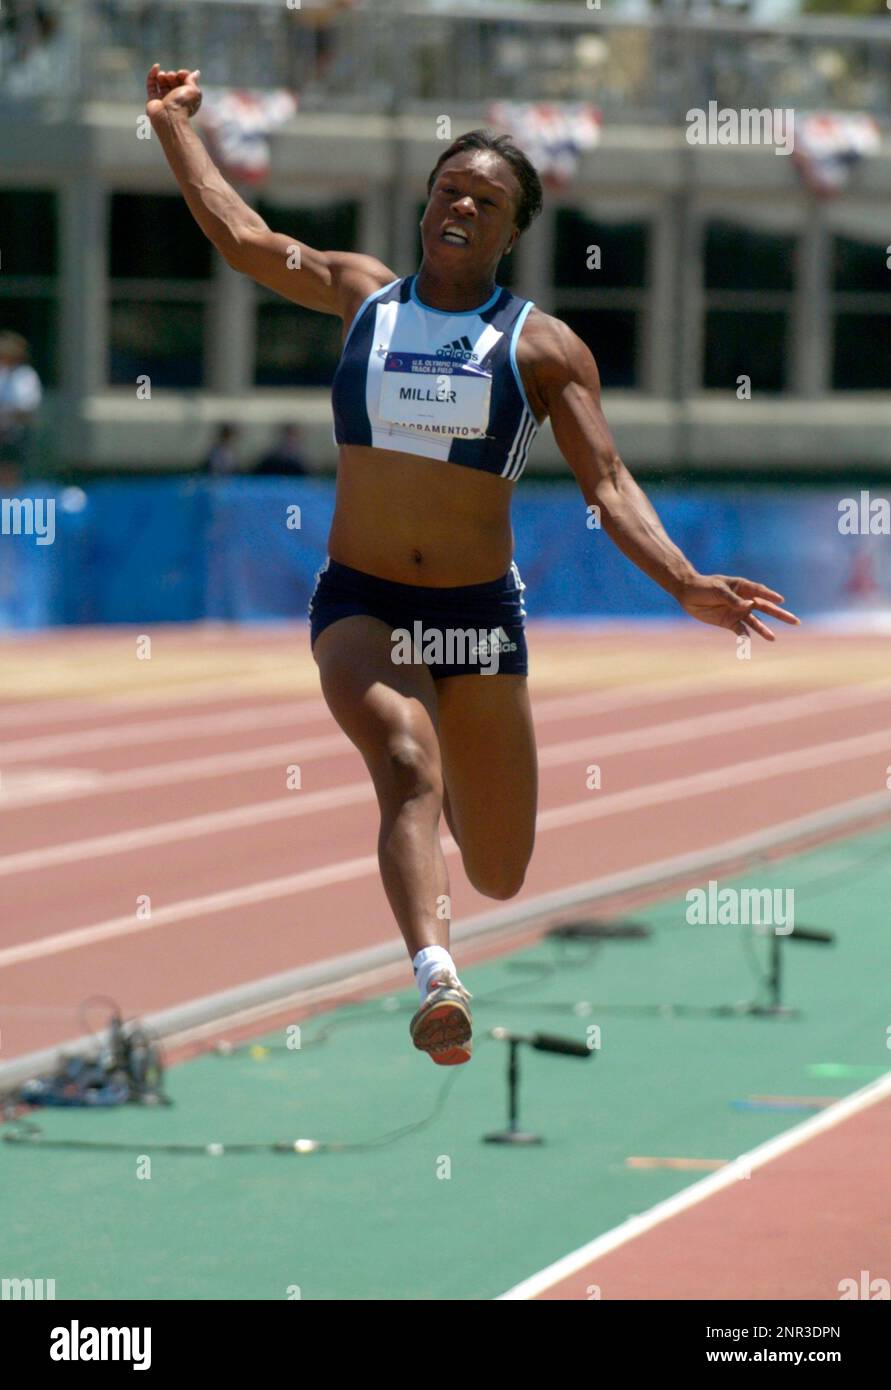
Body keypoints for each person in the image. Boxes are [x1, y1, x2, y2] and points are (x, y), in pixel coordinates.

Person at [147, 64, 800, 1067]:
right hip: (362, 600)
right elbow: (242, 238)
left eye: (485, 201)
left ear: (509, 233)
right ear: (425, 205)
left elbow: (611, 482)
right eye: (449, 188)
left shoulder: (541, 349)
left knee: (499, 865)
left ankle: (454, 811)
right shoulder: (364, 298)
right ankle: (436, 978)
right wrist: (174, 128)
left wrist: (684, 582)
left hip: (476, 619)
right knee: (407, 768)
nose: (460, 206)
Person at [0, 331, 42, 490]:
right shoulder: (1, 374)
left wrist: (6, 416)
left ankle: (11, 503)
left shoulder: (26, 377)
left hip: (17, 434)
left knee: (11, 472)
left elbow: (28, 409)